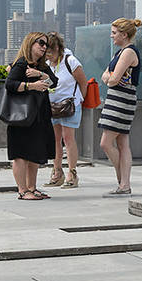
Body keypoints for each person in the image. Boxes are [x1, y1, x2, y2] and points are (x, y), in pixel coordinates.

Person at [4, 32, 57, 200]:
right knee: (20, 153)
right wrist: (31, 86)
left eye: (46, 44)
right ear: (30, 43)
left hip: (39, 115)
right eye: (40, 43)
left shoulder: (41, 66)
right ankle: (22, 190)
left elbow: (54, 83)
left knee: (35, 152)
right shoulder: (21, 64)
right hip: (22, 116)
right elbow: (10, 84)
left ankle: (32, 188)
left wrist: (40, 75)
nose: (44, 47)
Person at [98, 18, 142, 195]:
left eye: (114, 33)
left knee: (105, 143)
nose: (111, 36)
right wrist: (110, 77)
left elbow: (112, 79)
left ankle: (122, 178)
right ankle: (124, 184)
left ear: (124, 35)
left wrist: (110, 77)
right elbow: (106, 76)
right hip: (117, 98)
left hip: (121, 100)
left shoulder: (128, 52)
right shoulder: (120, 52)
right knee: (122, 143)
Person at [44, 31, 89, 189]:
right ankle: (57, 172)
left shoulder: (71, 61)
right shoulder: (48, 64)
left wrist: (79, 99)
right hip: (53, 106)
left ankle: (72, 173)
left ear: (57, 48)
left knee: (68, 138)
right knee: (55, 139)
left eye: (50, 52)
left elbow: (83, 82)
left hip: (70, 105)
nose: (48, 56)